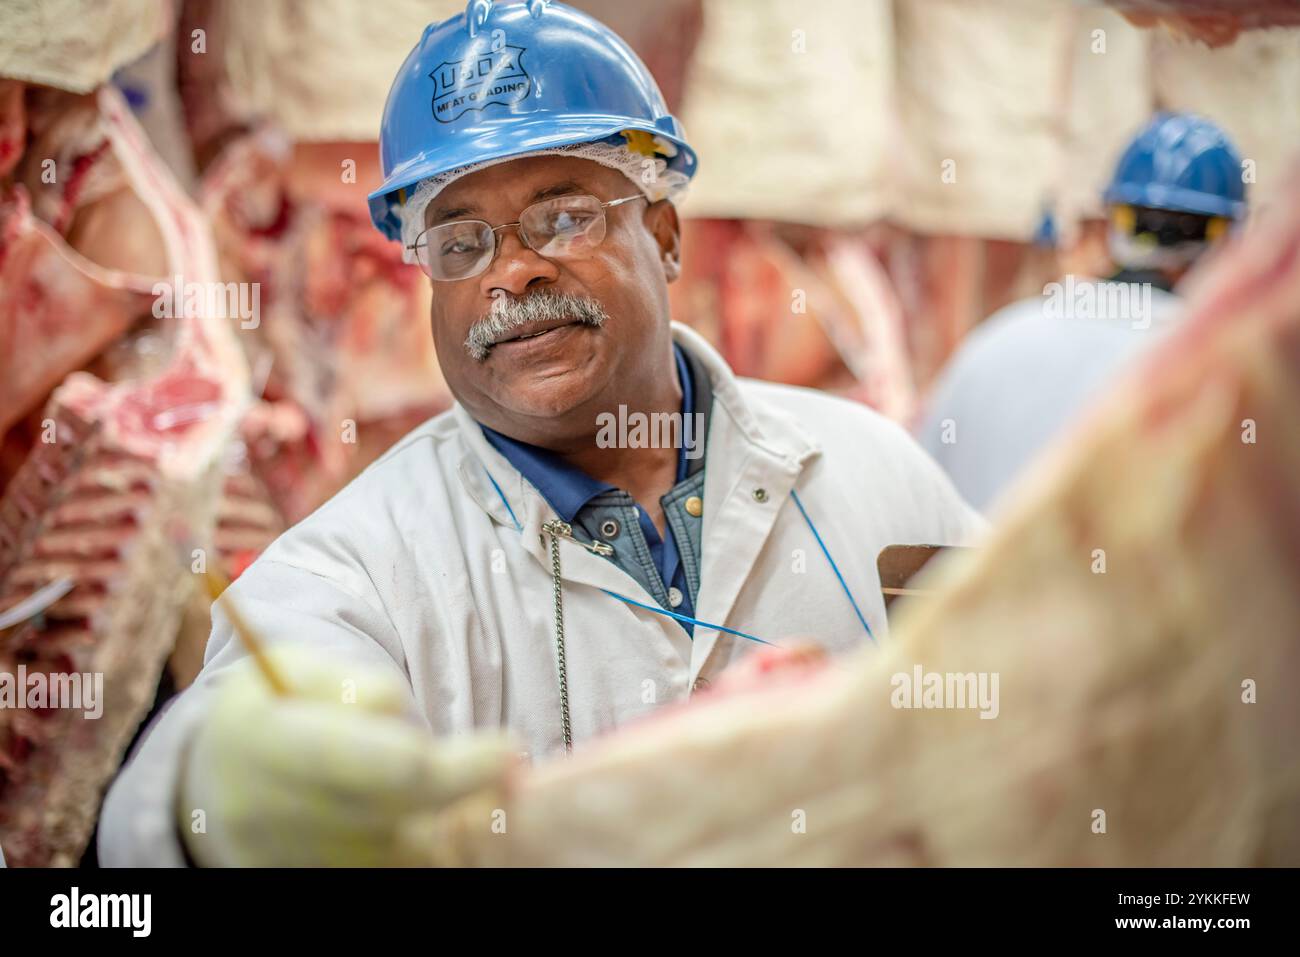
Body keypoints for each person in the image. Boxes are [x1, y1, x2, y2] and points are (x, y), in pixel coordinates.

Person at [99, 0, 982, 867]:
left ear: (666, 234)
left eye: (564, 217)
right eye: (461, 244)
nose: (514, 273)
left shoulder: (873, 469)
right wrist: (200, 793)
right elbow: (181, 789)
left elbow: (1026, 690)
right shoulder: (349, 567)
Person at [916, 112, 1247, 513]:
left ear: (1111, 222)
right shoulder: (1220, 371)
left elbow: (919, 494)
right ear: (1230, 240)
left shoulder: (996, 338)